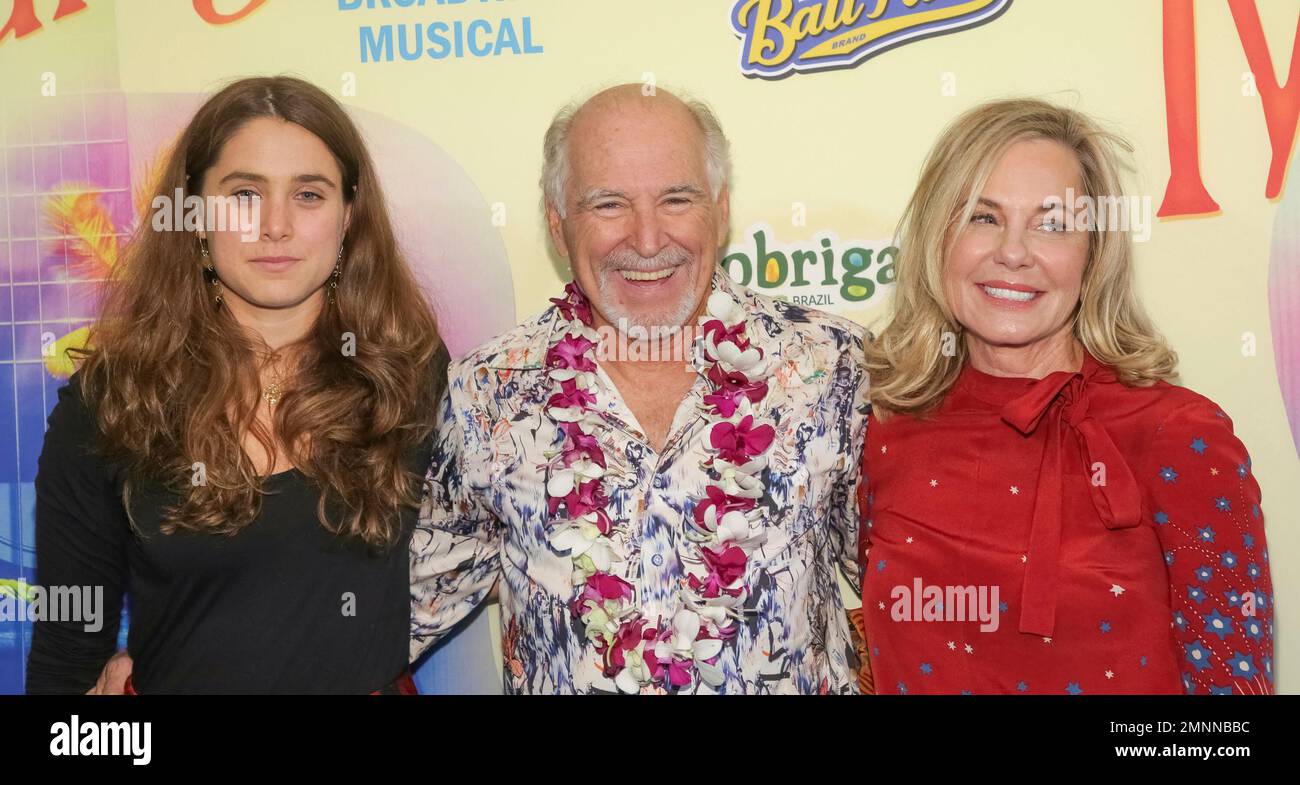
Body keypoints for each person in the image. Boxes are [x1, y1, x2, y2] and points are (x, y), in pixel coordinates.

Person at [410, 84, 869, 694]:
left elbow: (900, 580)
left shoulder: (830, 366)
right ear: (557, 222)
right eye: (608, 205)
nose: (648, 240)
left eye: (677, 199)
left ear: (721, 208)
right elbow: (411, 604)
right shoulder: (489, 391)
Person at [26, 76, 445, 694]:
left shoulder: (409, 375)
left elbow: (511, 545)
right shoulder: (114, 398)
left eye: (309, 193)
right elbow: (65, 652)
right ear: (193, 214)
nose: (275, 226)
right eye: (244, 194)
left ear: (349, 216)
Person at [859, 98, 1274, 694]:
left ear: (1095, 253)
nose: (1013, 252)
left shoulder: (1177, 434)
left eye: (1053, 224)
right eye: (982, 216)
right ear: (935, 237)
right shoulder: (885, 431)